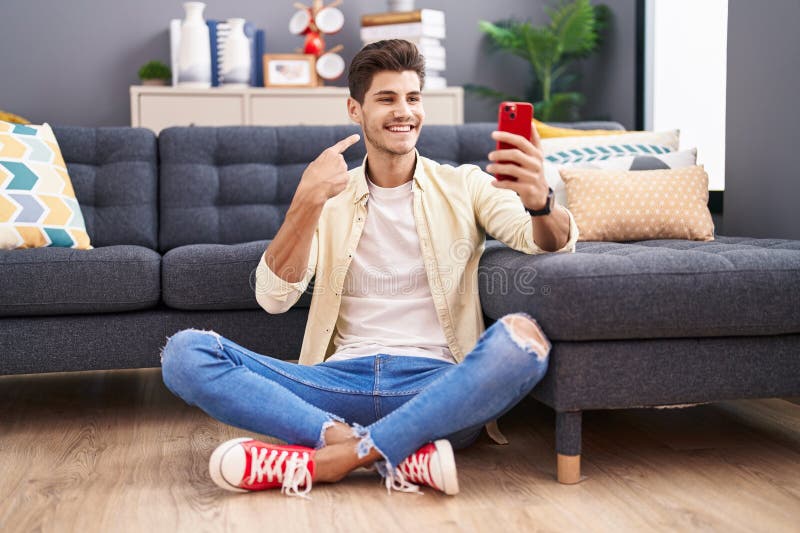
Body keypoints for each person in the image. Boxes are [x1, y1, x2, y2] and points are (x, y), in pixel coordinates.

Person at [160, 39, 578, 498]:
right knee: (184, 354)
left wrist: (541, 202)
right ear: (354, 109)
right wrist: (305, 201)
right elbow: (274, 298)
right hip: (336, 381)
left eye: (413, 98)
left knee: (524, 342)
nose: (404, 112)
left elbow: (549, 242)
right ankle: (387, 451)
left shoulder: (466, 185)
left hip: (433, 386)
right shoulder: (329, 194)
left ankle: (328, 460)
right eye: (386, 98)